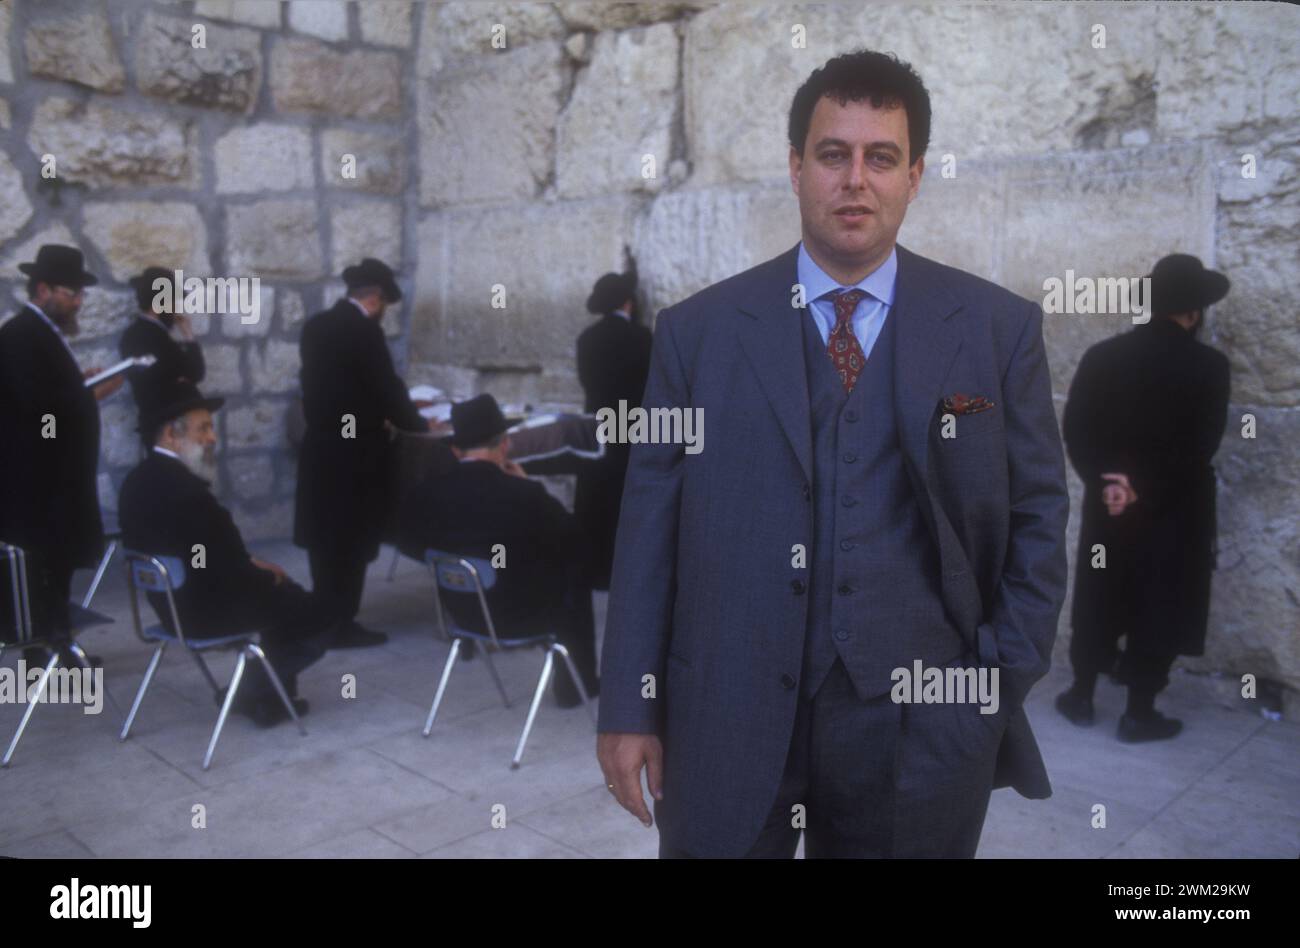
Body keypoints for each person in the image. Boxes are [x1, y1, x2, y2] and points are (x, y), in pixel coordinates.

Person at [596, 49, 1070, 858]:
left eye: (881, 157)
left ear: (914, 175)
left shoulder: (996, 329)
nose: (857, 179)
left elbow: (1037, 516)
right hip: (727, 718)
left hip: (921, 734)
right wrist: (630, 706)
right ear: (795, 168)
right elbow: (648, 530)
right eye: (833, 154)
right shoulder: (696, 334)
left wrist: (989, 686)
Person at [1057, 254, 1232, 743]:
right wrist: (1144, 488)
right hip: (1175, 509)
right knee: (1163, 598)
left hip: (1108, 506)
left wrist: (1108, 483)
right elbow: (1201, 445)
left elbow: (1076, 429)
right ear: (1193, 313)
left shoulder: (1101, 356)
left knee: (1100, 595)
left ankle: (1081, 695)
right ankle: (1139, 710)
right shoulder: (1209, 367)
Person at [118, 381, 330, 726]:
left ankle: (266, 698)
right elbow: (224, 572)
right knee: (317, 613)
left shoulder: (137, 482)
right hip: (205, 613)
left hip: (169, 606)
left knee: (281, 599)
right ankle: (253, 694)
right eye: (204, 429)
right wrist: (267, 575)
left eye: (211, 428)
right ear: (172, 434)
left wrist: (247, 566)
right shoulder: (189, 495)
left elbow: (200, 556)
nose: (212, 437)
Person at [398, 394, 599, 707]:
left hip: (462, 612)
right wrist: (529, 484)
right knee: (574, 577)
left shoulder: (428, 492)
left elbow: (410, 543)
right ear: (504, 444)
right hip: (518, 615)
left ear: (455, 449)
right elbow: (577, 543)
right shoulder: (523, 494)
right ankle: (576, 688)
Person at [294, 258, 429, 649]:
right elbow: (386, 387)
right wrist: (418, 425)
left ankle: (325, 612)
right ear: (375, 298)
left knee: (326, 538)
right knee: (351, 540)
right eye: (384, 302)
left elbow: (329, 390)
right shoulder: (364, 332)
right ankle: (341, 622)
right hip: (356, 454)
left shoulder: (316, 326)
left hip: (322, 446)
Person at [0, 245, 122, 663]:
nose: (78, 301)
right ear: (43, 289)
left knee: (57, 570)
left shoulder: (42, 334)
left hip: (55, 482)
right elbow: (41, 410)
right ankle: (48, 654)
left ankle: (56, 649)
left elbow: (53, 394)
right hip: (38, 485)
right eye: (71, 293)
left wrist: (82, 385)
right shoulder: (20, 335)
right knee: (43, 572)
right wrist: (91, 394)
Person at [575, 248, 653, 590]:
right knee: (624, 499)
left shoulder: (586, 339)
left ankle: (591, 568)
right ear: (628, 303)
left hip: (596, 426)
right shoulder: (642, 338)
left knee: (594, 497)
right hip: (631, 427)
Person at [120, 265, 206, 437]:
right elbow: (194, 373)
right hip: (168, 430)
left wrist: (181, 379)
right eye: (172, 301)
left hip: (169, 426)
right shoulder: (146, 337)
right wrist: (188, 337)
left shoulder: (148, 334)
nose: (175, 308)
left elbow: (192, 375)